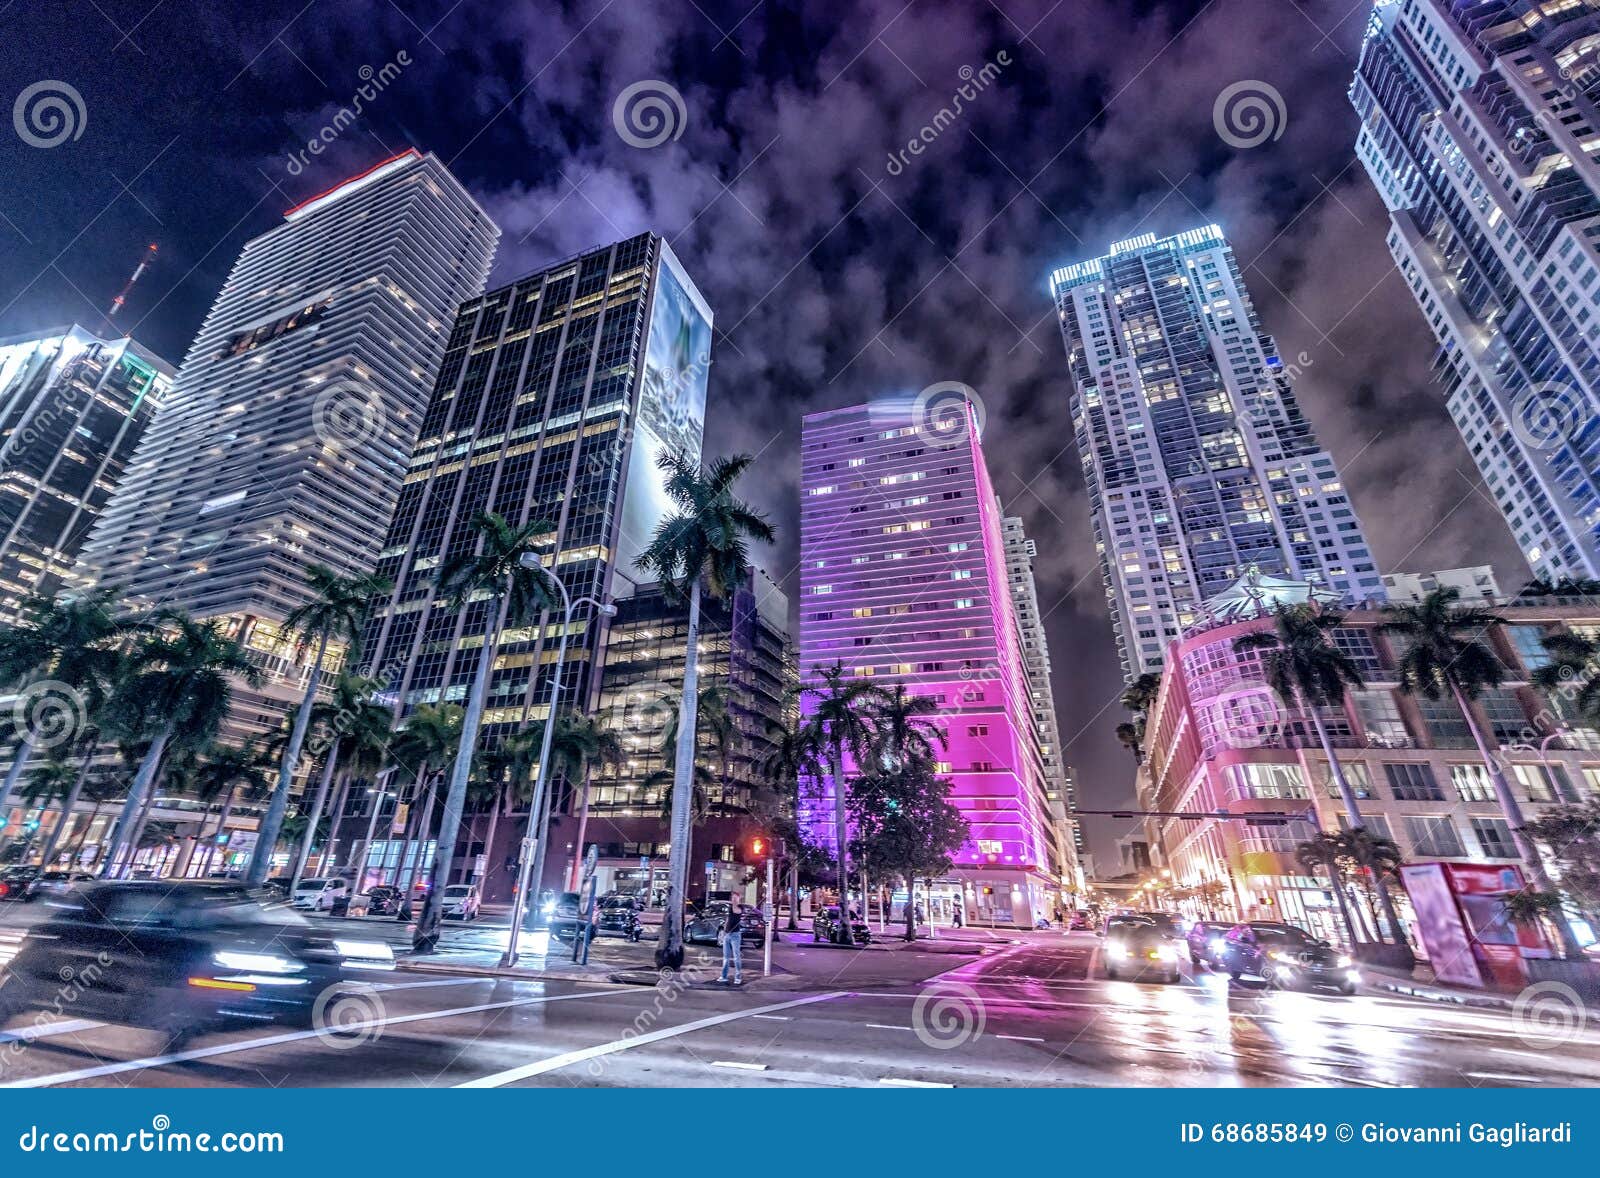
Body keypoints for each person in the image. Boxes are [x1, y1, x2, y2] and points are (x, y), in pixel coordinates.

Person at [719, 903, 744, 985]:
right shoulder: (730, 908)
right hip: (727, 934)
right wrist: (724, 932)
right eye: (733, 898)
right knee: (726, 957)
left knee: (736, 956)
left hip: (735, 935)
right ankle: (724, 977)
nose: (733, 899)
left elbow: (736, 911)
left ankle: (738, 977)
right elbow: (728, 919)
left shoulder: (740, 907)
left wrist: (734, 903)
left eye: (735, 898)